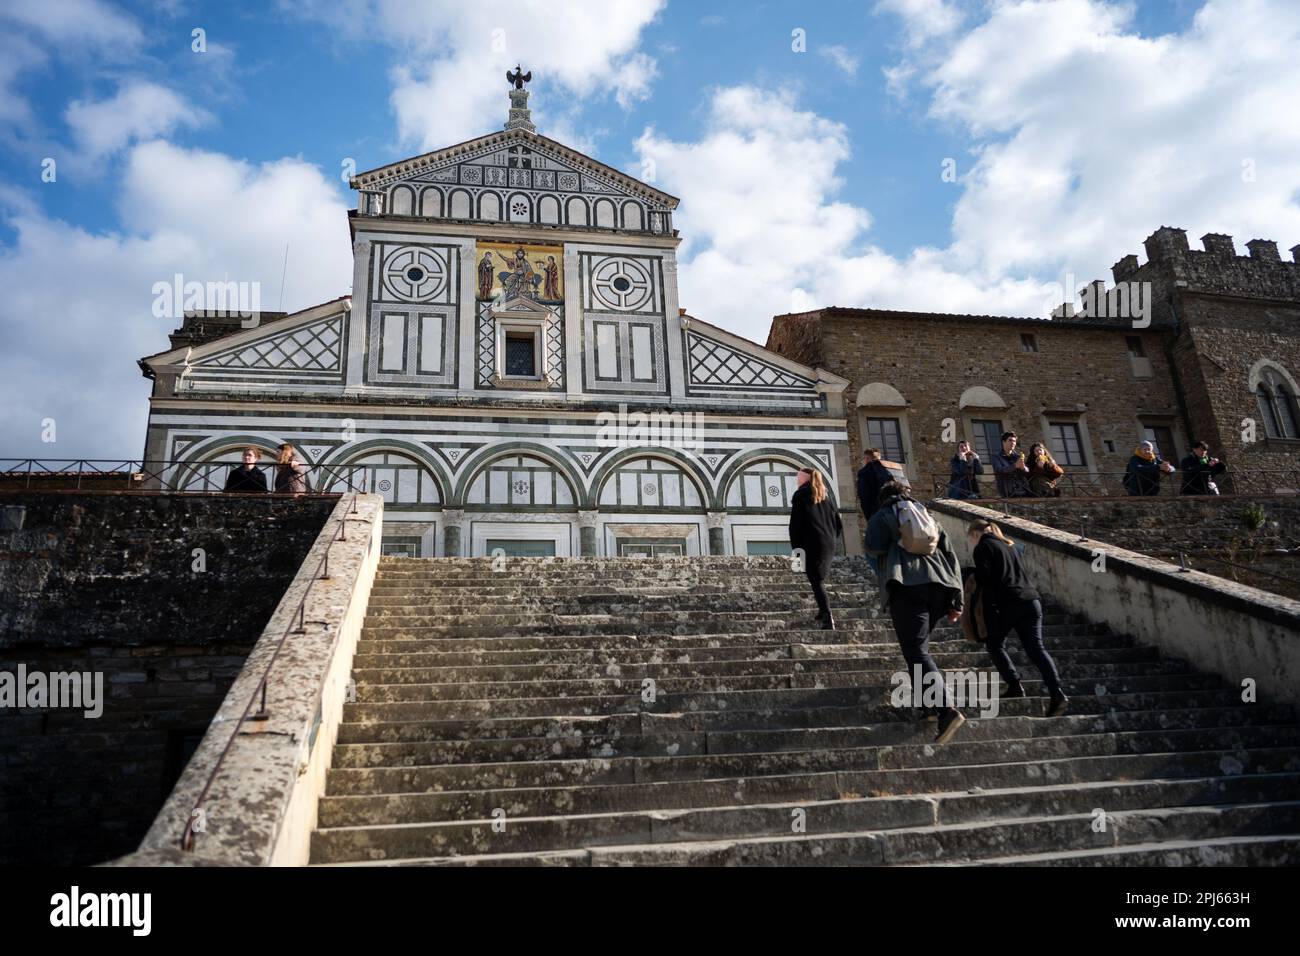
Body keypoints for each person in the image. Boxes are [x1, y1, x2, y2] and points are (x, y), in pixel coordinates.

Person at [867, 480, 967, 743]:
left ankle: (947, 710)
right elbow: (950, 554)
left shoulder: (884, 515)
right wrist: (957, 599)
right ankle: (928, 707)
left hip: (906, 585)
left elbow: (873, 546)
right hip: (940, 587)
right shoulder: (929, 516)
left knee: (917, 651)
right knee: (917, 648)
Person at [967, 520, 1068, 717]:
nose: (970, 542)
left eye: (970, 538)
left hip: (1009, 603)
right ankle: (1057, 693)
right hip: (1031, 600)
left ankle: (1014, 684)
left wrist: (970, 575)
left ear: (976, 534)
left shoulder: (983, 547)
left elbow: (986, 578)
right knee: (1036, 649)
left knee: (994, 645)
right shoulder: (1008, 545)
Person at [789, 467, 843, 630]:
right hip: (828, 542)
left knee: (816, 580)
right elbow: (838, 525)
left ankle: (827, 616)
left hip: (810, 542)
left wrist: (797, 550)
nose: (797, 479)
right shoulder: (826, 497)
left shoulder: (800, 496)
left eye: (798, 477)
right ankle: (822, 611)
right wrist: (831, 538)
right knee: (817, 577)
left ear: (804, 479)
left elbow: (795, 525)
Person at [992, 431, 1030, 497]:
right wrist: (1015, 466)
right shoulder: (996, 456)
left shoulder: (1018, 456)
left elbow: (1027, 470)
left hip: (1022, 488)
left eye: (1014, 441)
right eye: (1010, 440)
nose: (1013, 443)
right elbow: (1000, 470)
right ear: (1003, 442)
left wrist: (1023, 468)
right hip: (1007, 490)